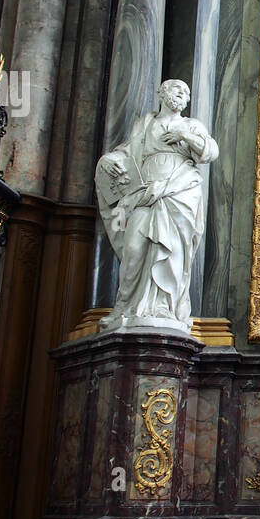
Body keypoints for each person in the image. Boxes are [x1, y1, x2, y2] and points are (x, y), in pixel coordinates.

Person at [95, 79, 218, 332]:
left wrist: (184, 135)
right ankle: (126, 307)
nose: (182, 94)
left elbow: (210, 152)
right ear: (161, 93)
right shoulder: (145, 124)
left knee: (172, 251)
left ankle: (165, 308)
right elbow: (127, 152)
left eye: (186, 92)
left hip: (179, 192)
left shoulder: (190, 125)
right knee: (133, 248)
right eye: (176, 89)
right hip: (144, 191)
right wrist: (110, 160)